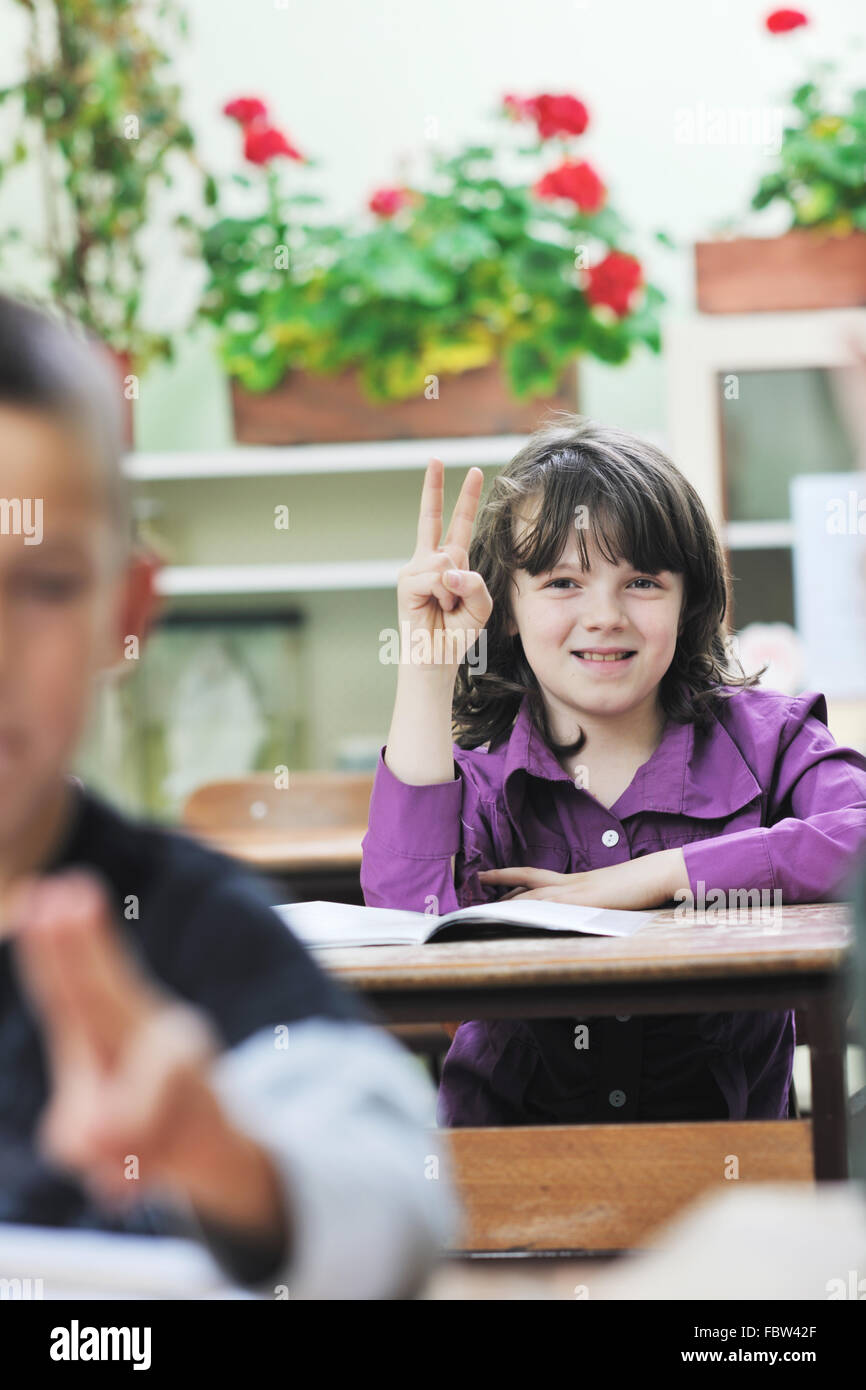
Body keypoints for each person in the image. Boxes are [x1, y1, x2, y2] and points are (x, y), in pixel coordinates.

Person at [0, 290, 455, 1298]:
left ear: (125, 612)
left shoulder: (195, 930)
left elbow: (396, 1198)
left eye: (42, 586)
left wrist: (232, 1160)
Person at [361, 417, 866, 1126]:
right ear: (507, 606)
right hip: (509, 1189)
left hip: (732, 1188)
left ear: (687, 598)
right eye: (563, 581)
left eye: (643, 582)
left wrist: (651, 878)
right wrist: (426, 662)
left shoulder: (771, 738)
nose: (605, 616)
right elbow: (403, 927)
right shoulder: (470, 780)